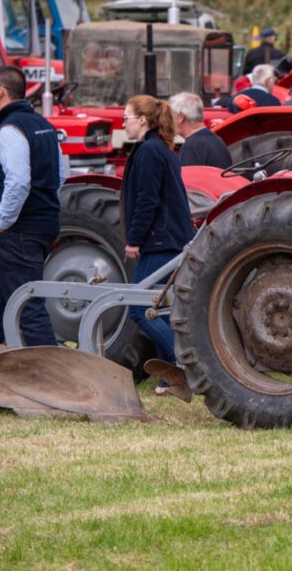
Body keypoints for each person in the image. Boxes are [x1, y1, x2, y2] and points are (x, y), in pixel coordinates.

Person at [0, 66, 66, 347]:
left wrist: (1, 223)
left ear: (1, 92)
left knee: (28, 305)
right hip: (42, 225)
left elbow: (18, 183)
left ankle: (55, 376)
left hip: (18, 231)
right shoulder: (45, 126)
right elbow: (60, 175)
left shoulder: (11, 130)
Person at [121, 95, 196, 389]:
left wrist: (135, 239)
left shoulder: (149, 151)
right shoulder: (160, 149)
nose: (123, 123)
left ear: (142, 120)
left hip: (160, 241)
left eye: (126, 118)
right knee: (155, 307)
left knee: (139, 310)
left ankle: (179, 367)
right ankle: (173, 374)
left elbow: (147, 200)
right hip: (168, 239)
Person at [172, 92, 231, 168]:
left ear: (181, 117)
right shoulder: (217, 140)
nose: (169, 121)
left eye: (171, 116)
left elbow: (186, 178)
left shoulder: (191, 147)